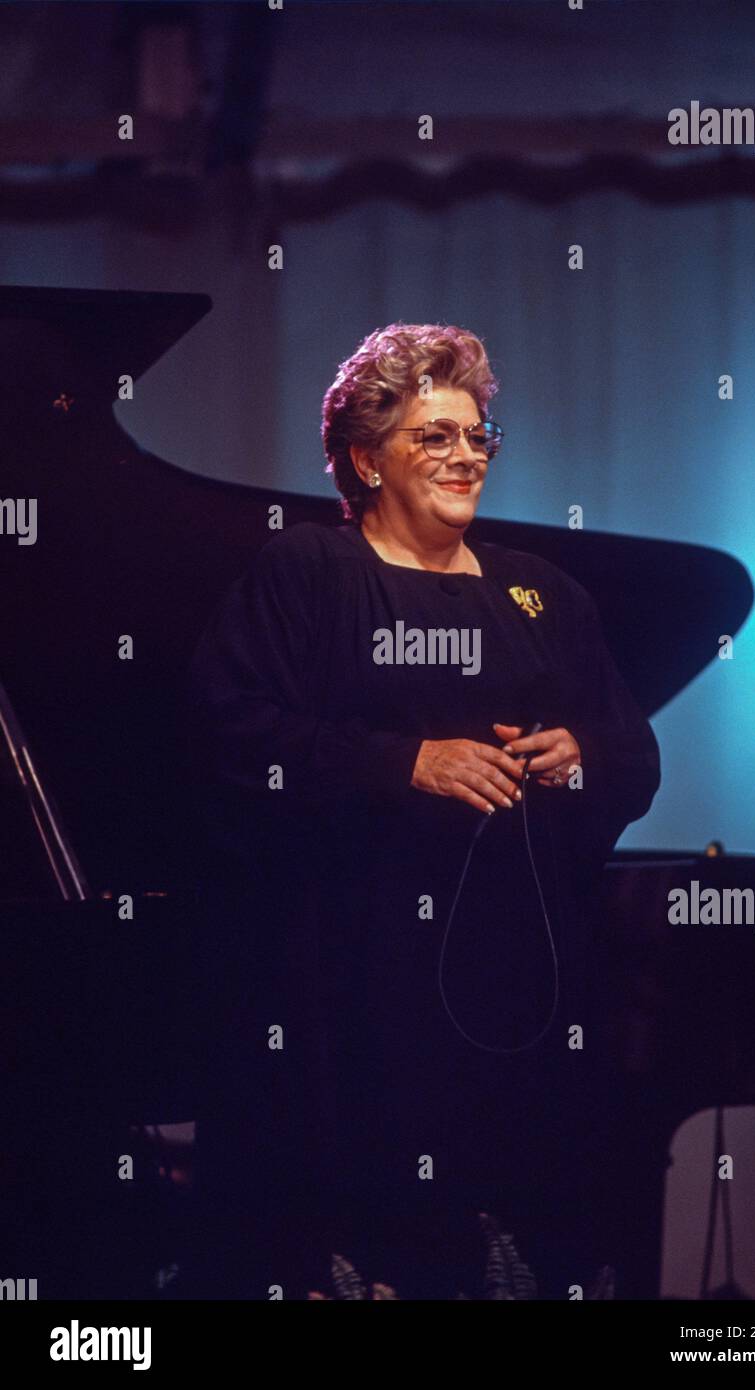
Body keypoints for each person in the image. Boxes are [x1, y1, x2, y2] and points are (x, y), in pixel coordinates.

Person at [186, 322, 660, 1300]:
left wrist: (584, 754)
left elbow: (632, 754)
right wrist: (406, 762)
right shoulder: (311, 573)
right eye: (433, 435)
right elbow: (229, 735)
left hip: (523, 979)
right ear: (366, 457)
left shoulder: (544, 594)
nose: (464, 455)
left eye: (477, 434)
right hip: (350, 990)